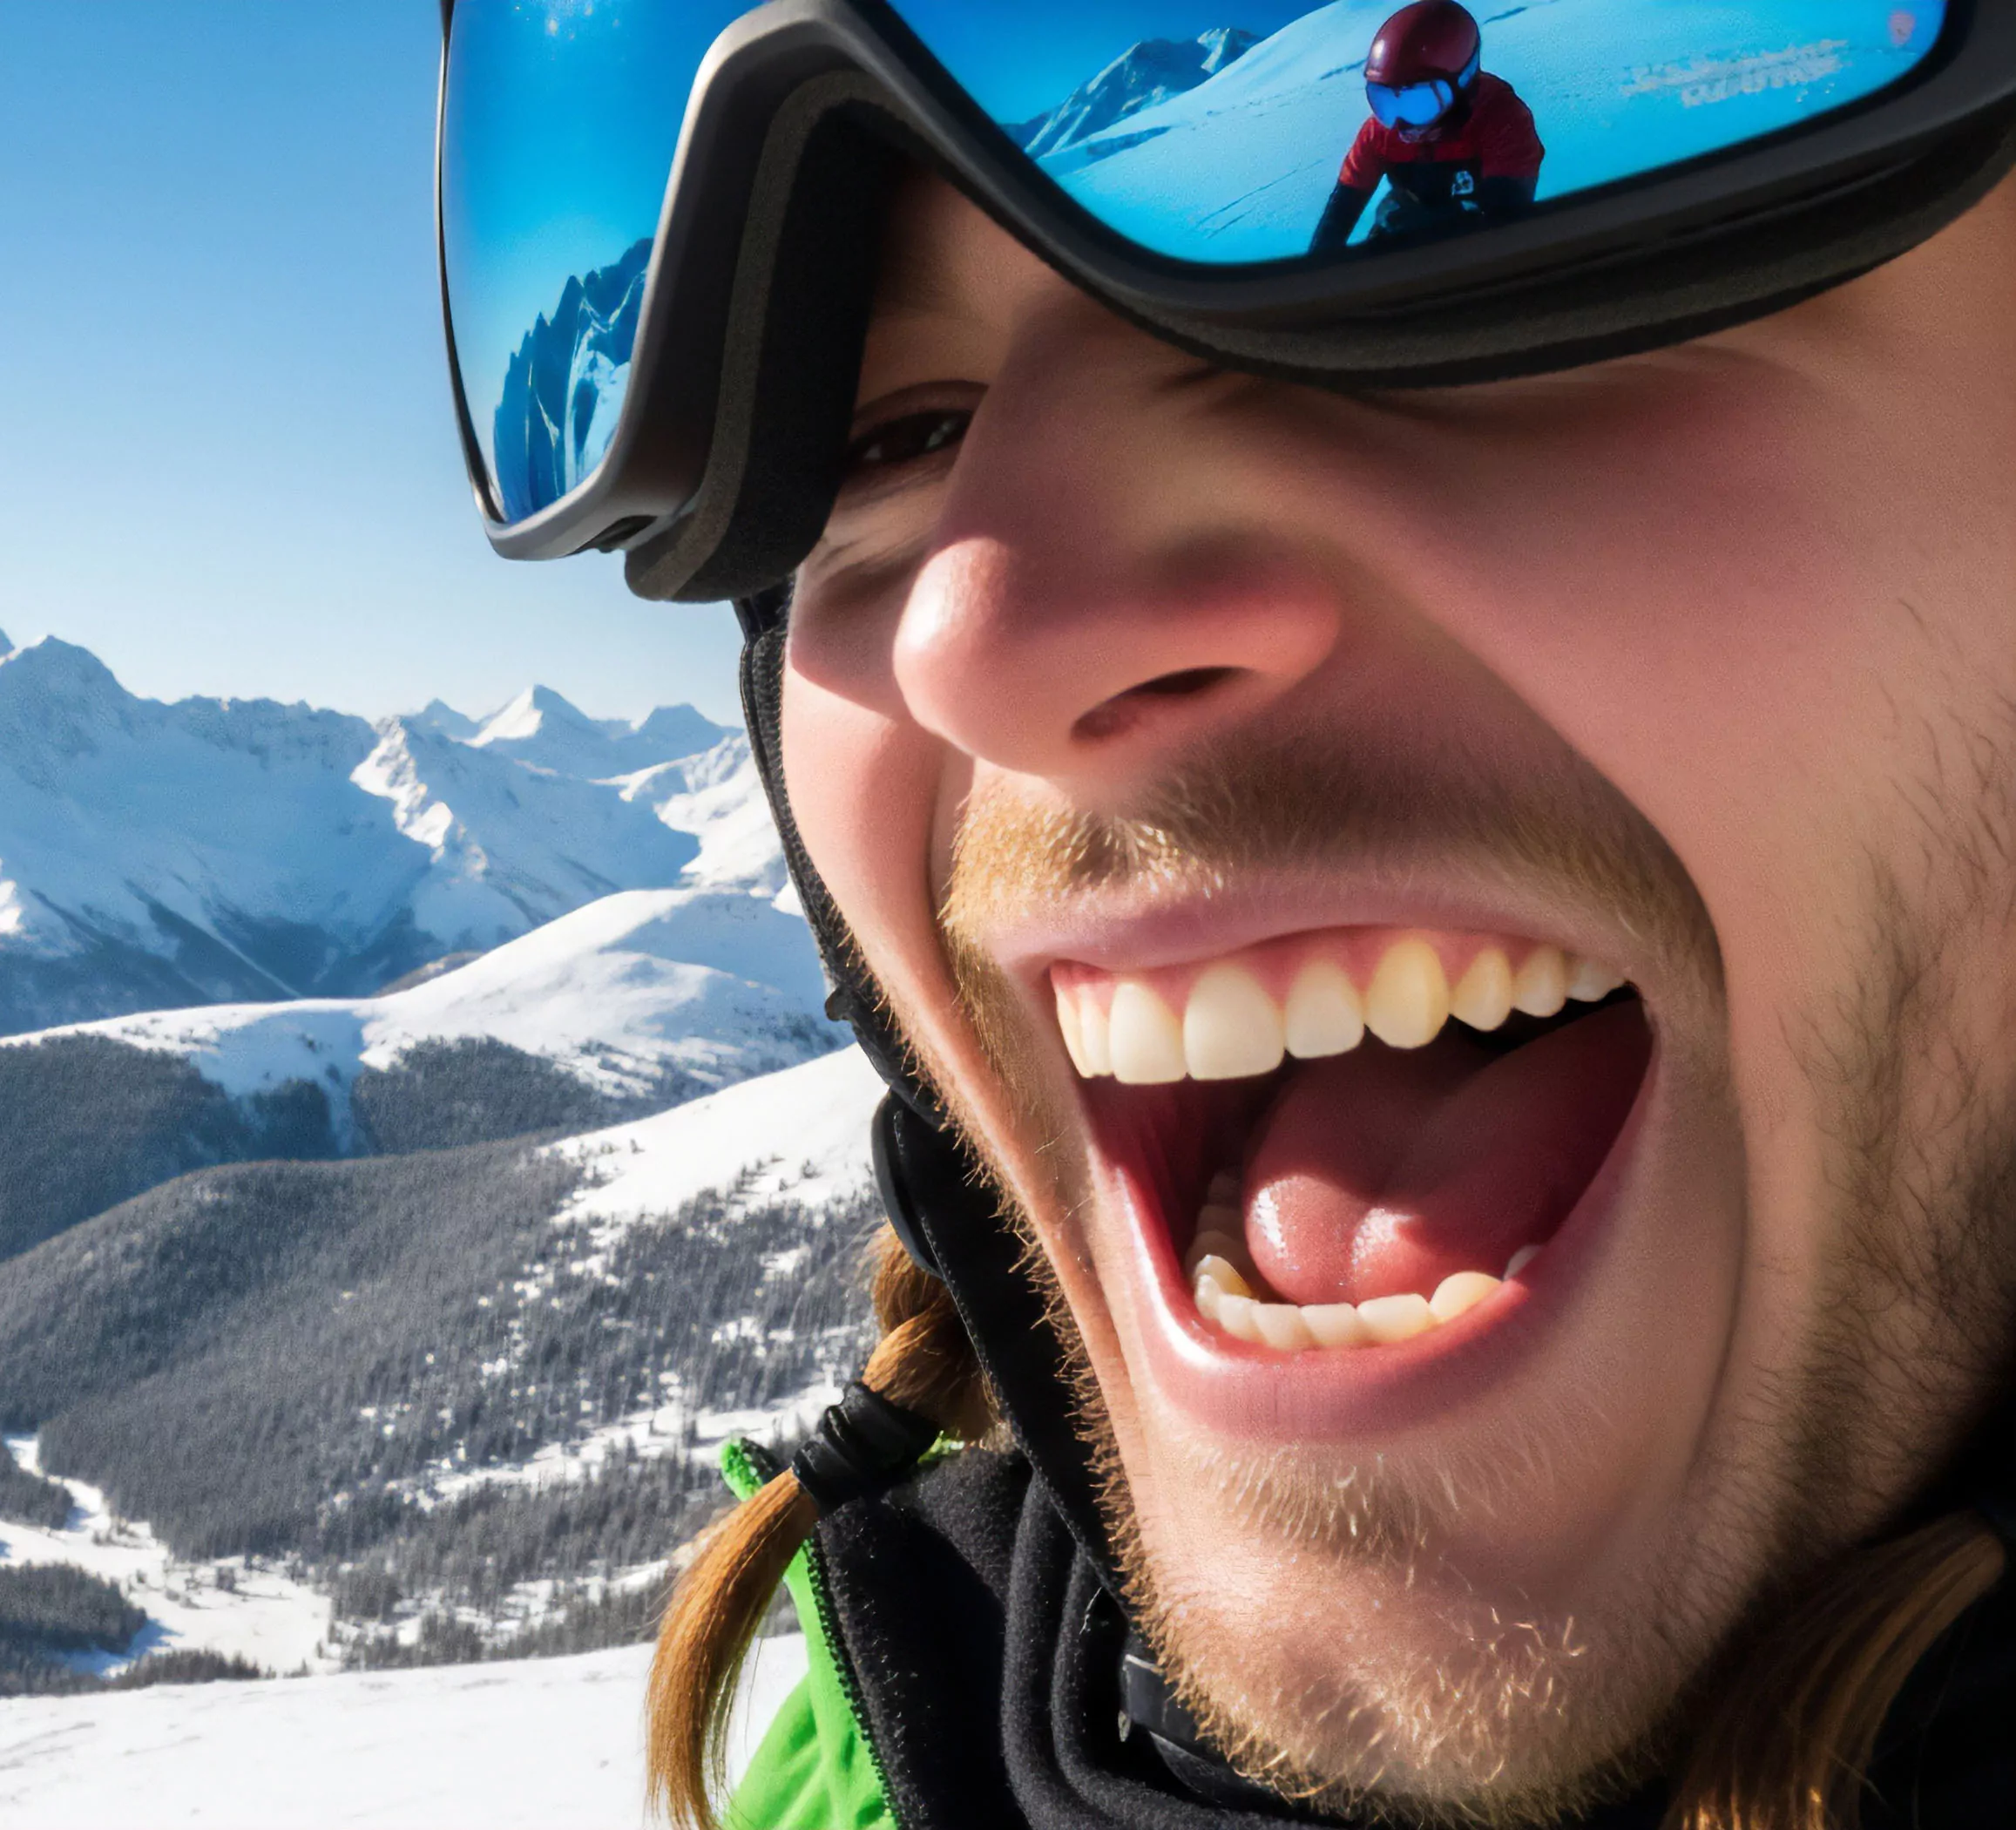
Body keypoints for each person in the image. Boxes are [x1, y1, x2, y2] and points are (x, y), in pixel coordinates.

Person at [441, 5, 2016, 1826]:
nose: (978, 640)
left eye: (1469, 306)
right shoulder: (874, 1749)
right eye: (888, 434)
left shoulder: (1487, 123)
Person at [1310, 1, 1542, 252]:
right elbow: (1342, 210)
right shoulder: (1379, 131)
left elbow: (1507, 229)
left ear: (1464, 86)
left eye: (1420, 103)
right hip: (1400, 231)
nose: (1401, 126)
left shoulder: (1502, 119)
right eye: (1384, 101)